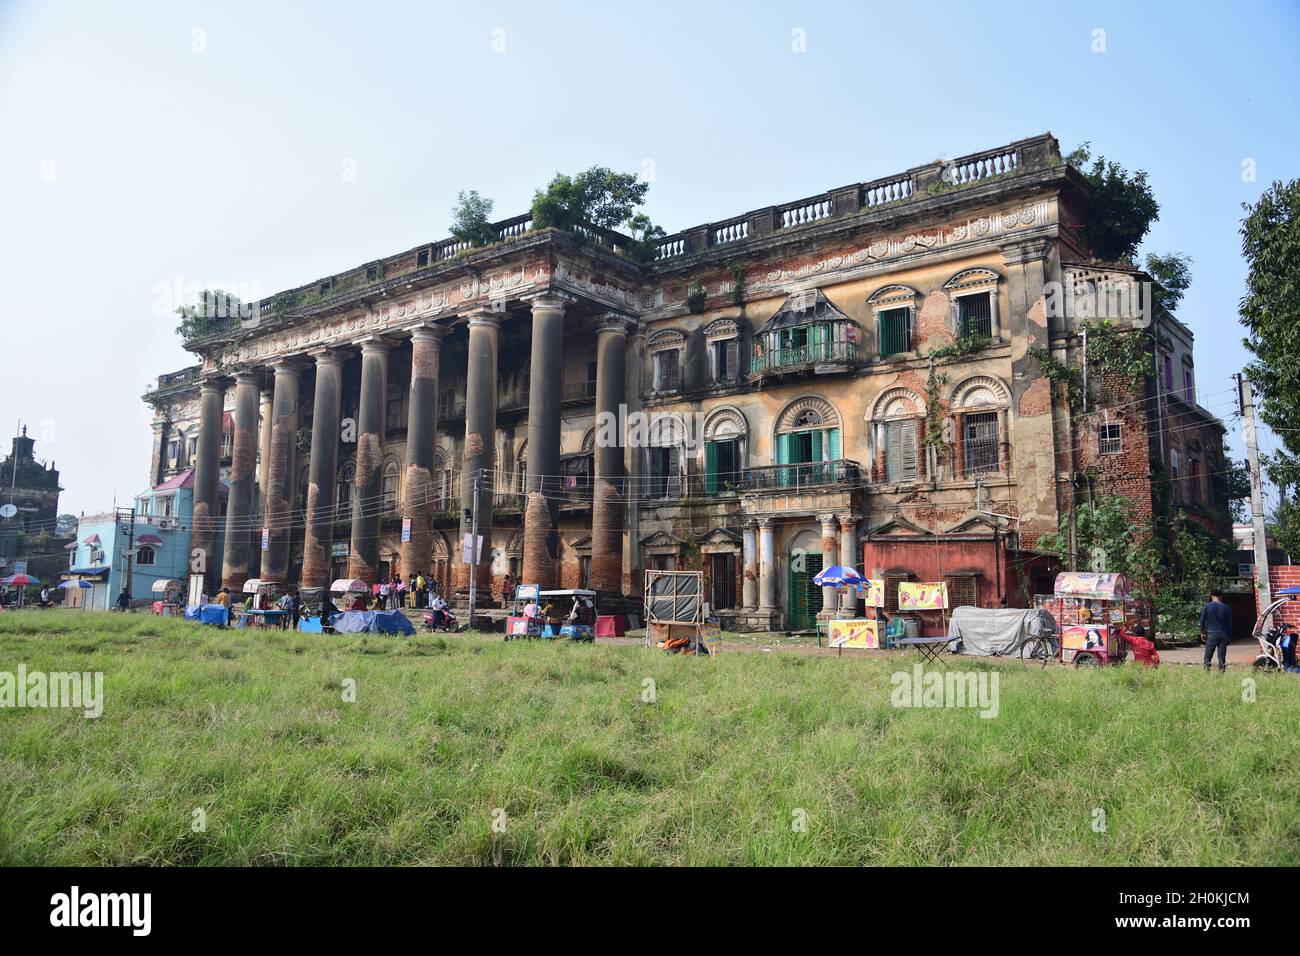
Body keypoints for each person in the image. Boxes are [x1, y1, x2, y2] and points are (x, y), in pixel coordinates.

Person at [1199, 589, 1233, 672]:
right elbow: (1230, 624)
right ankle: (1221, 673)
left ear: (1211, 596)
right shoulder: (1226, 607)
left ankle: (1206, 672)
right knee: (1221, 655)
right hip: (1224, 634)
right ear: (1220, 597)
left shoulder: (1207, 606)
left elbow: (1202, 620)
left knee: (1208, 655)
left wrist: (1202, 632)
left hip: (1212, 634)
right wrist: (1230, 636)